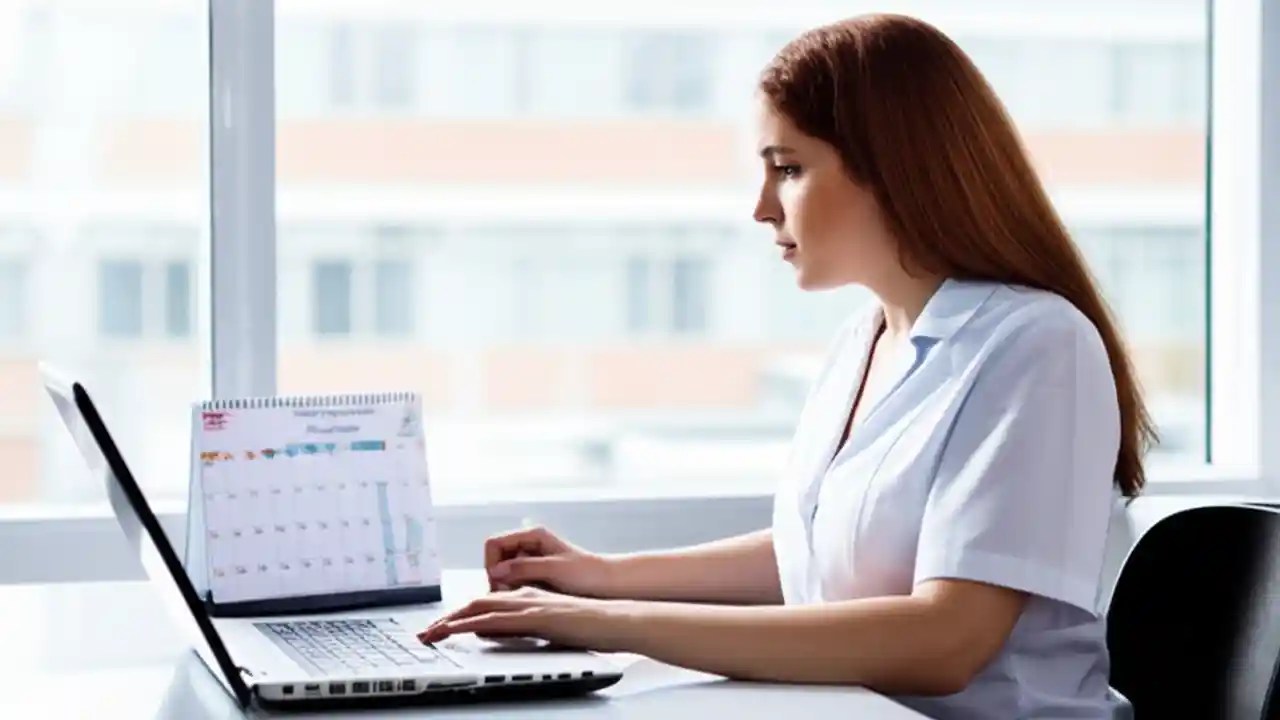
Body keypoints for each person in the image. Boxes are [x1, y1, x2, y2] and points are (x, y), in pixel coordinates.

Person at [418, 12, 1153, 719]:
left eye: (789, 169)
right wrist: (597, 577)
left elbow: (946, 640)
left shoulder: (1038, 345)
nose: (762, 207)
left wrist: (611, 621)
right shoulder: (863, 341)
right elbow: (817, 556)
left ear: (895, 169)